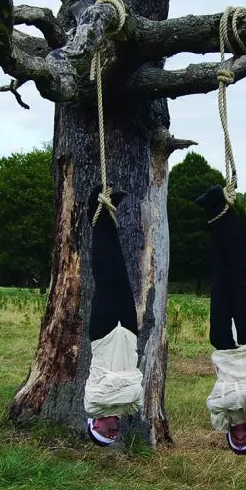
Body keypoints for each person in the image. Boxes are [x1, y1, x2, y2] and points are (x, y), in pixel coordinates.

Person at [196, 185, 246, 454]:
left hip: (225, 348)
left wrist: (235, 397)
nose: (239, 439)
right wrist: (235, 395)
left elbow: (215, 404)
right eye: (244, 442)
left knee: (219, 278)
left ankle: (213, 208)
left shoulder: (221, 421)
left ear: (229, 437)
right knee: (238, 275)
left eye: (235, 442)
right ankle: (226, 211)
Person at [84, 187, 144, 447]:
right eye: (114, 436)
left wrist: (122, 386)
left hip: (105, 336)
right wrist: (123, 385)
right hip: (129, 335)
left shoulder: (92, 403)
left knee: (105, 275)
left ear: (95, 423)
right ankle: (107, 213)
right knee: (120, 272)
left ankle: (94, 210)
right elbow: (132, 389)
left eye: (106, 433)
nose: (114, 431)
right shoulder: (128, 405)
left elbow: (132, 386)